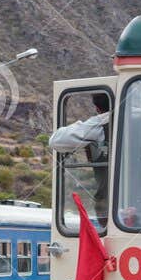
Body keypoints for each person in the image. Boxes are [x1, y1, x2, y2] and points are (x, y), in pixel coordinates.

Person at [50, 92, 110, 225]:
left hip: (111, 211)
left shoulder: (100, 126)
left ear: (98, 109)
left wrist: (101, 118)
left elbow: (56, 141)